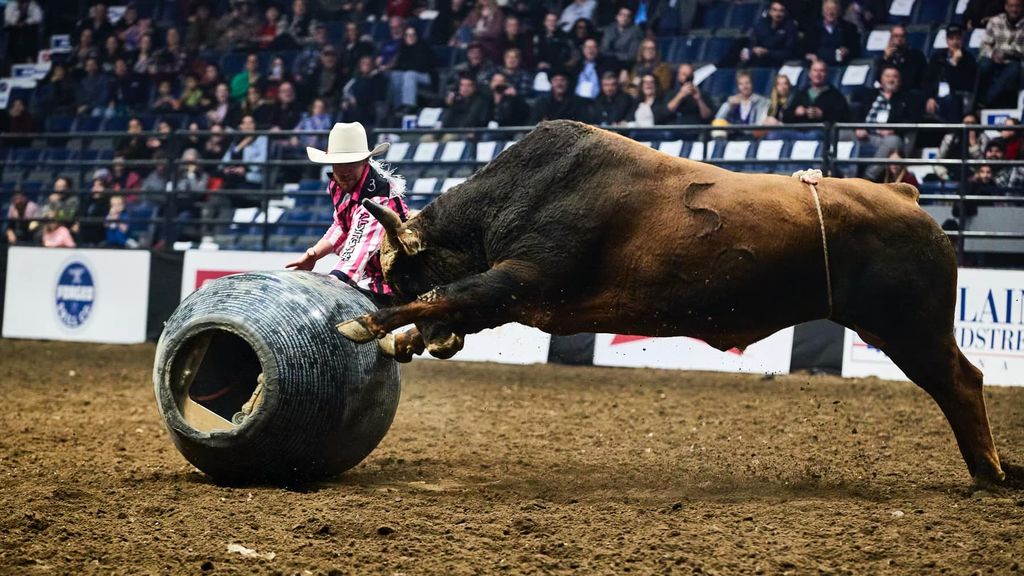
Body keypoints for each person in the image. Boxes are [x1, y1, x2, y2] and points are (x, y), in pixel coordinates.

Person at [286, 122, 410, 308]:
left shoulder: (377, 195)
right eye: (338, 163)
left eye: (350, 163)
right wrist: (314, 254)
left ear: (364, 162)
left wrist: (335, 280)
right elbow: (342, 225)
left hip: (397, 281)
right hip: (370, 276)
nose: (344, 171)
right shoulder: (338, 185)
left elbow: (361, 244)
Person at [854, 66, 921, 180]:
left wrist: (893, 130)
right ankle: (841, 176)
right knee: (839, 134)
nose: (891, 80)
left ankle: (867, 179)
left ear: (900, 81)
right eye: (887, 76)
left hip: (886, 139)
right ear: (881, 79)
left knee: (893, 140)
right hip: (865, 134)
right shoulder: (870, 95)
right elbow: (856, 112)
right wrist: (859, 127)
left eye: (894, 77)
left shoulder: (906, 98)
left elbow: (912, 120)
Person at [924, 25, 977, 123]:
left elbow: (963, 84)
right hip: (936, 96)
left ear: (962, 40)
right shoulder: (937, 57)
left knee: (951, 100)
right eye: (951, 38)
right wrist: (930, 97)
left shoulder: (969, 59)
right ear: (947, 40)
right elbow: (928, 80)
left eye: (958, 38)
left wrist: (954, 63)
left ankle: (953, 133)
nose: (955, 42)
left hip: (957, 97)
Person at [977, 0, 1024, 108]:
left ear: (1022, 7)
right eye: (1011, 6)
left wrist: (1009, 54)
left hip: (1016, 60)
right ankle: (977, 101)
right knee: (984, 64)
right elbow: (984, 46)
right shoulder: (995, 21)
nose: (1014, 9)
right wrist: (993, 54)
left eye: (1017, 6)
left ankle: (985, 102)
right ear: (1006, 7)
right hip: (995, 58)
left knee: (1014, 69)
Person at [783, 60, 849, 124]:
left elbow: (843, 117)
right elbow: (785, 116)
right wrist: (795, 112)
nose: (818, 74)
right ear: (810, 74)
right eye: (815, 70)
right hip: (799, 130)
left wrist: (822, 115)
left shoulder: (835, 95)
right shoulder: (801, 93)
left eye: (821, 71)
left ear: (826, 74)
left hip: (821, 131)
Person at [388, 26, 435, 112]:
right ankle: (398, 106)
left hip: (426, 76)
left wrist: (405, 66)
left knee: (409, 74)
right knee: (396, 75)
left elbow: (420, 66)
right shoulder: (403, 48)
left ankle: (409, 106)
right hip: (409, 75)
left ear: (417, 36)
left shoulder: (423, 48)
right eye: (407, 35)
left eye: (413, 35)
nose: (410, 37)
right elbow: (399, 65)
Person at [803, 0, 861, 66]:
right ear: (822, 12)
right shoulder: (812, 29)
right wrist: (809, 57)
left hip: (841, 66)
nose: (830, 12)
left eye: (834, 9)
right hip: (818, 68)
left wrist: (847, 51)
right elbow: (803, 51)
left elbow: (856, 50)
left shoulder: (849, 28)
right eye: (827, 9)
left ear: (838, 11)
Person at [742, 2, 798, 67]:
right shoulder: (761, 24)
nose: (777, 14)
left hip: (779, 62)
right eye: (774, 10)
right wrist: (752, 50)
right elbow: (752, 43)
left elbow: (788, 52)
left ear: (785, 13)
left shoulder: (790, 27)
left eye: (781, 11)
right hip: (759, 59)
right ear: (769, 11)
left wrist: (767, 52)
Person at [600, 7, 643, 72]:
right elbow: (603, 50)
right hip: (607, 61)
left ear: (630, 19)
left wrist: (613, 55)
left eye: (627, 16)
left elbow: (631, 56)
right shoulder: (609, 29)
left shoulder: (636, 32)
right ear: (617, 16)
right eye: (622, 15)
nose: (624, 18)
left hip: (626, 64)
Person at [4, 0, 43, 67]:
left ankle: (30, 58)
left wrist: (26, 22)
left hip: (28, 31)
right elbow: (8, 19)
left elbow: (38, 18)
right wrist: (17, 21)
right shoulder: (11, 4)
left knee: (30, 30)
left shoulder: (32, 4)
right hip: (13, 30)